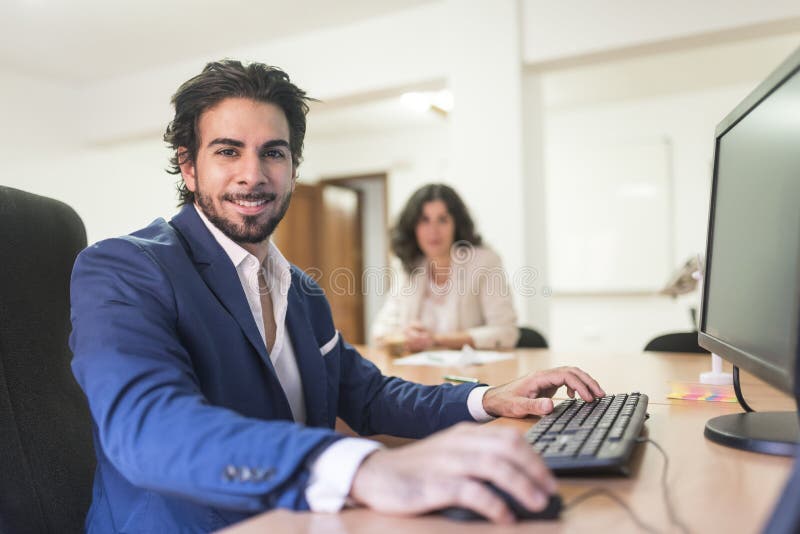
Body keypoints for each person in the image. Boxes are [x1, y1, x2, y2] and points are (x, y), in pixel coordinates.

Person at [69, 59, 605, 533]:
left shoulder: (299, 289)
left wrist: (485, 398)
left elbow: (368, 395)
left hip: (302, 515)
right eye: (227, 152)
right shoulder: (125, 268)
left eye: (272, 153)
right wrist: (361, 467)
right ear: (189, 166)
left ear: (294, 168)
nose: (252, 175)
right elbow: (151, 432)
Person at [371, 183, 519, 352]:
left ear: (456, 224)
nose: (433, 231)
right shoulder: (411, 266)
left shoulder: (484, 262)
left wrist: (435, 340)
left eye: (442, 220)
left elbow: (506, 333)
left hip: (470, 373)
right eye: (424, 220)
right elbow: (380, 332)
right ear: (413, 228)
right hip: (419, 372)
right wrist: (406, 336)